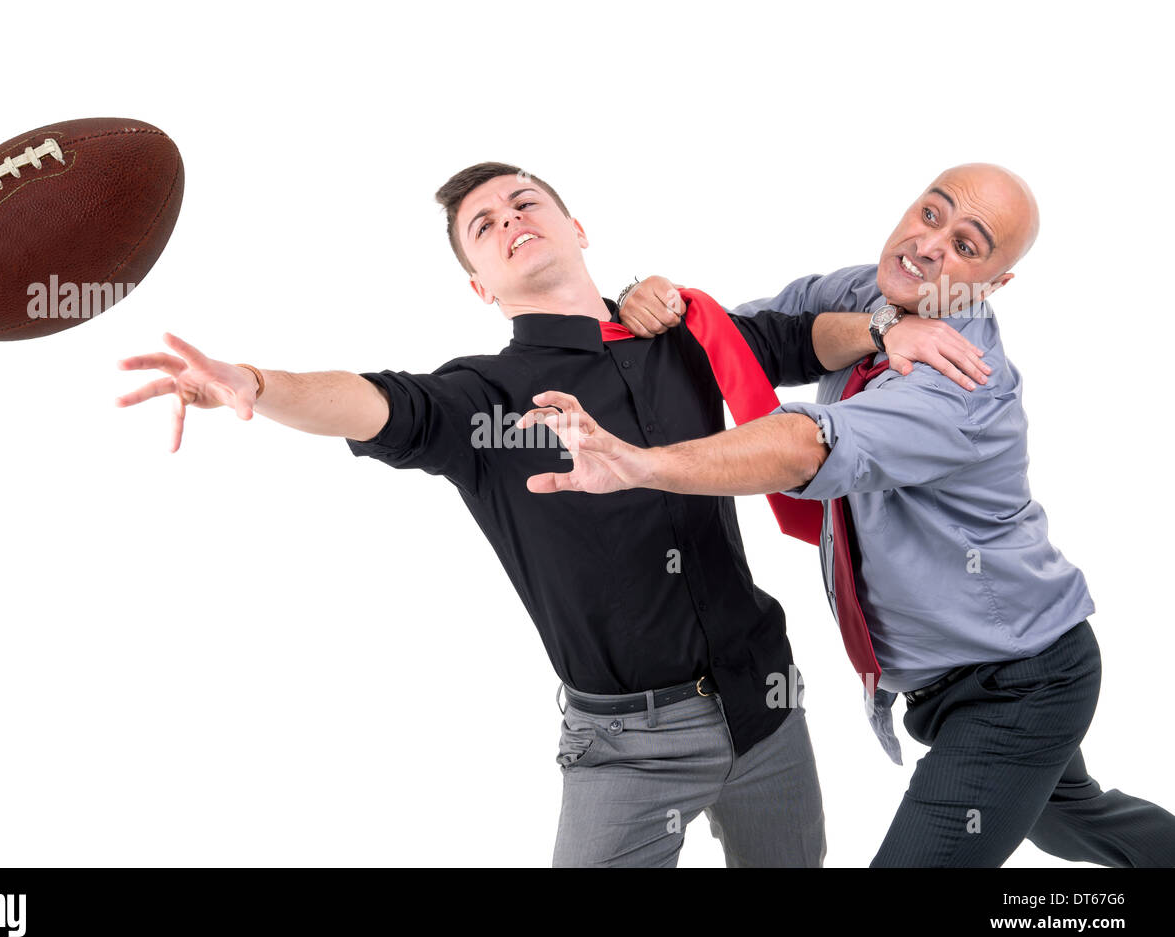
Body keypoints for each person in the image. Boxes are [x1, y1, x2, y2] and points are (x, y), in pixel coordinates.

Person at [116, 162, 984, 867]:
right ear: (478, 285)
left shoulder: (680, 330)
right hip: (625, 747)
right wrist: (260, 388)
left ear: (577, 229)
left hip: (767, 701)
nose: (507, 218)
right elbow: (366, 401)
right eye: (483, 227)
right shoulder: (476, 401)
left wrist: (883, 335)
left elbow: (794, 339)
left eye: (524, 202)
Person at [518, 163, 1175, 867]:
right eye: (931, 214)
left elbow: (807, 448)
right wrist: (651, 300)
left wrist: (646, 466)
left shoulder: (963, 385)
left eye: (967, 244)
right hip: (979, 669)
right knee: (1075, 815)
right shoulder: (872, 293)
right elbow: (739, 343)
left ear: (992, 284)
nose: (929, 246)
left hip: (1020, 683)